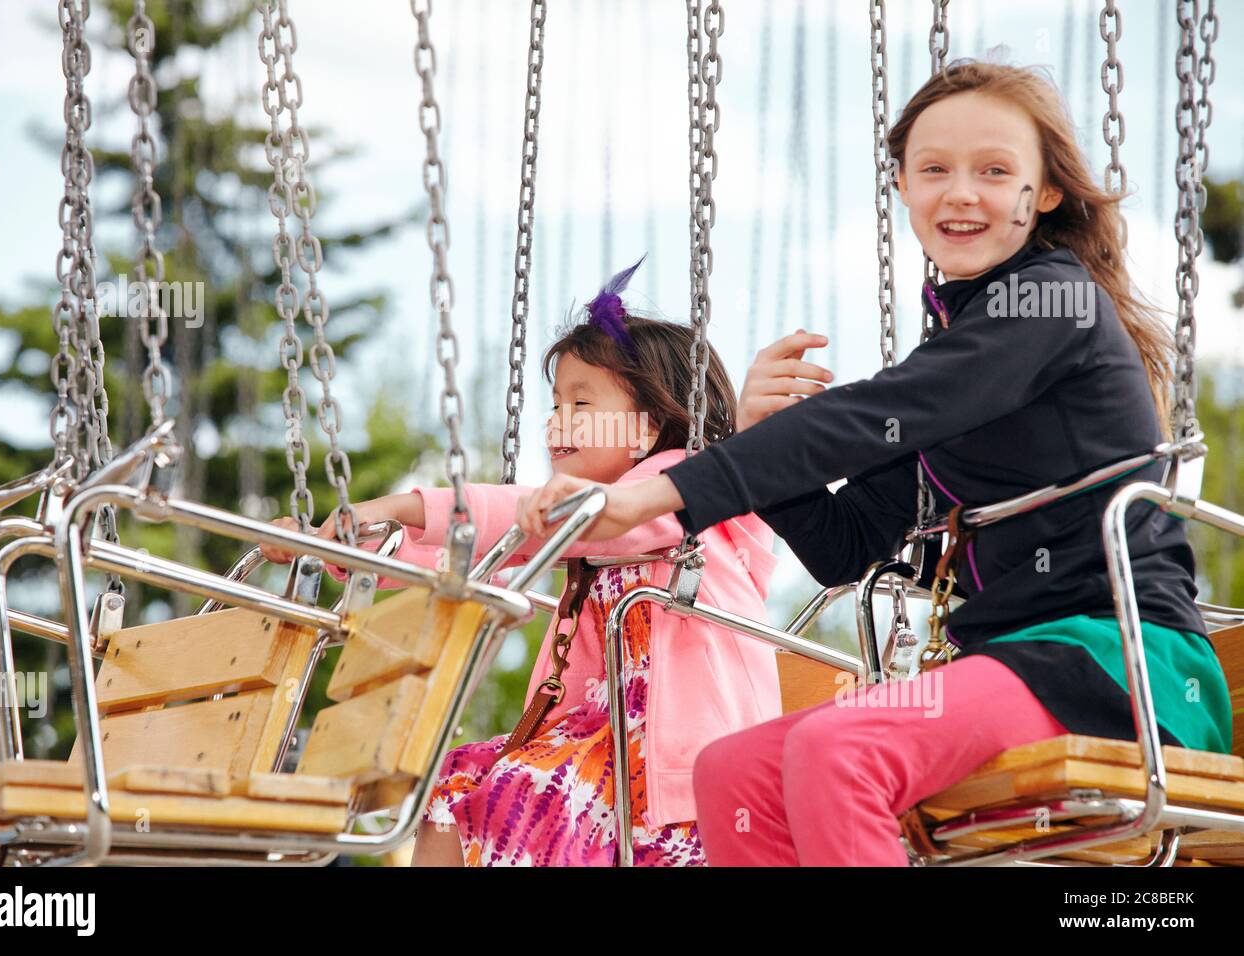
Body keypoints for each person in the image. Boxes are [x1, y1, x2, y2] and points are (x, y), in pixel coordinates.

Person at [514, 62, 1233, 866]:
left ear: (1048, 192)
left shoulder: (1055, 304)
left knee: (839, 747)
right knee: (733, 769)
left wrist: (653, 495)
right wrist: (761, 432)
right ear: (901, 186)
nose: (961, 192)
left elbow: (876, 413)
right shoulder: (965, 359)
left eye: (996, 171)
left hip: (1115, 663)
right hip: (1005, 669)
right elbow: (844, 541)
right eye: (934, 170)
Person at [263, 258, 797, 865]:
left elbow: (555, 517)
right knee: (457, 785)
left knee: (528, 787)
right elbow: (470, 560)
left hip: (683, 771)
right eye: (554, 403)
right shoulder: (589, 530)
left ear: (646, 433)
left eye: (581, 402)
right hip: (607, 748)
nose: (555, 422)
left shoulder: (681, 490)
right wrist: (338, 543)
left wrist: (400, 504)